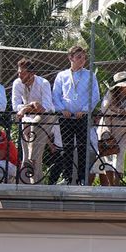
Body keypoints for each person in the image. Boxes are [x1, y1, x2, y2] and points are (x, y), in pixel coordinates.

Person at [51, 46, 101, 186]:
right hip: (65, 117)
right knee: (67, 148)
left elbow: (95, 95)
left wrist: (85, 110)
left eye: (84, 57)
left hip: (82, 117)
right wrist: (62, 109)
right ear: (70, 58)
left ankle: (81, 178)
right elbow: (56, 94)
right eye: (78, 57)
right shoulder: (62, 75)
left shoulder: (90, 75)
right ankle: (67, 177)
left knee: (82, 147)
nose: (82, 60)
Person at [10, 58, 58, 185]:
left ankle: (30, 180)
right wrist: (30, 106)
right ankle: (33, 182)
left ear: (32, 73)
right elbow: (15, 106)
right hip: (27, 118)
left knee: (35, 125)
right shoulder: (17, 83)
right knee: (30, 155)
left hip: (45, 118)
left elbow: (47, 107)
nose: (19, 75)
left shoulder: (43, 83)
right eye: (19, 72)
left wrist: (27, 108)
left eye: (23, 73)